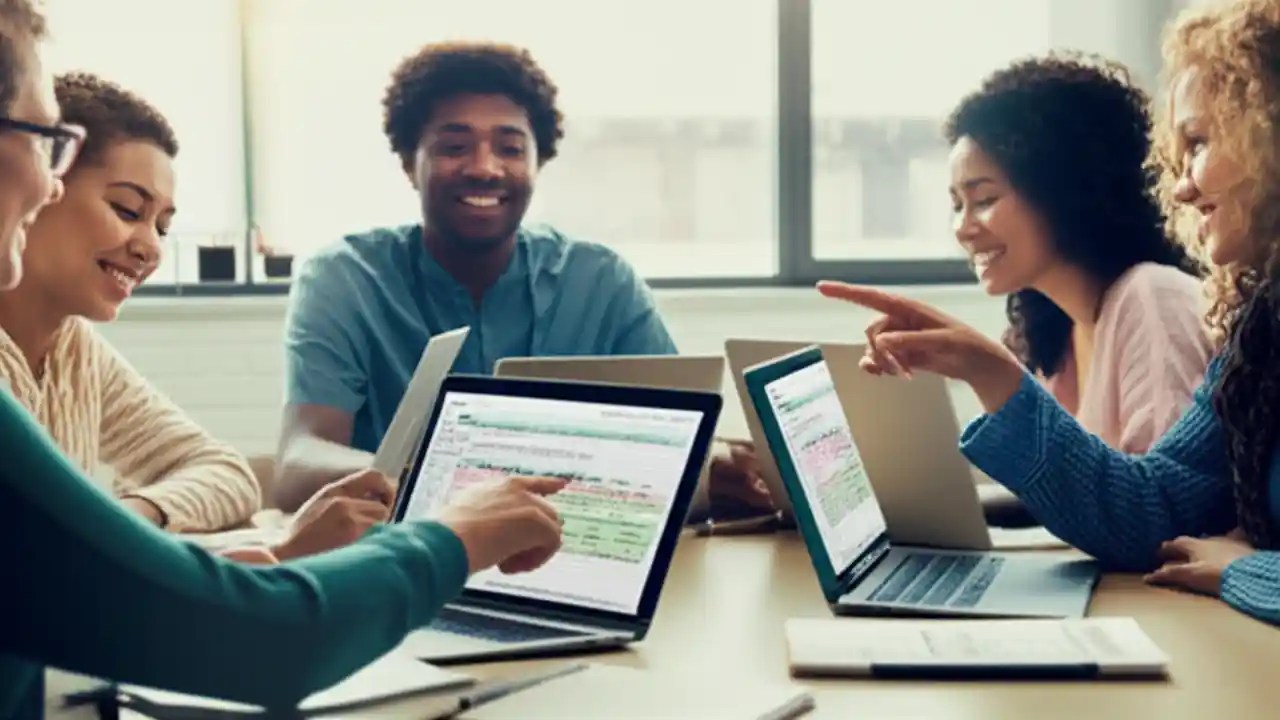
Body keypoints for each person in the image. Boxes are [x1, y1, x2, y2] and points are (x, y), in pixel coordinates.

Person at [0, 10, 565, 716]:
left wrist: (124, 541)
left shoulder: (76, 353)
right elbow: (263, 643)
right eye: (47, 145)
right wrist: (455, 536)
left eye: (163, 223)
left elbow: (214, 482)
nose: (148, 246)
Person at [818, 0, 1280, 626]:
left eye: (1198, 143)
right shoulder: (1259, 333)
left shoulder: (1157, 300)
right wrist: (992, 373)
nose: (1179, 186)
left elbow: (1174, 536)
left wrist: (1242, 569)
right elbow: (1154, 510)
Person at [276, 41, 770, 516]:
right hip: (404, 562)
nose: (485, 168)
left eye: (510, 148)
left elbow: (679, 438)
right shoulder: (345, 279)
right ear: (410, 163)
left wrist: (717, 467)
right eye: (454, 147)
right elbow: (298, 464)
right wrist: (455, 488)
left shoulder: (600, 281)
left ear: (537, 163)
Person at [944, 52, 1212, 455]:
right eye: (956, 205)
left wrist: (987, 372)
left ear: (1059, 190)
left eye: (983, 199)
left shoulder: (1153, 298)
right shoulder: (1054, 329)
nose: (963, 229)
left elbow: (1163, 512)